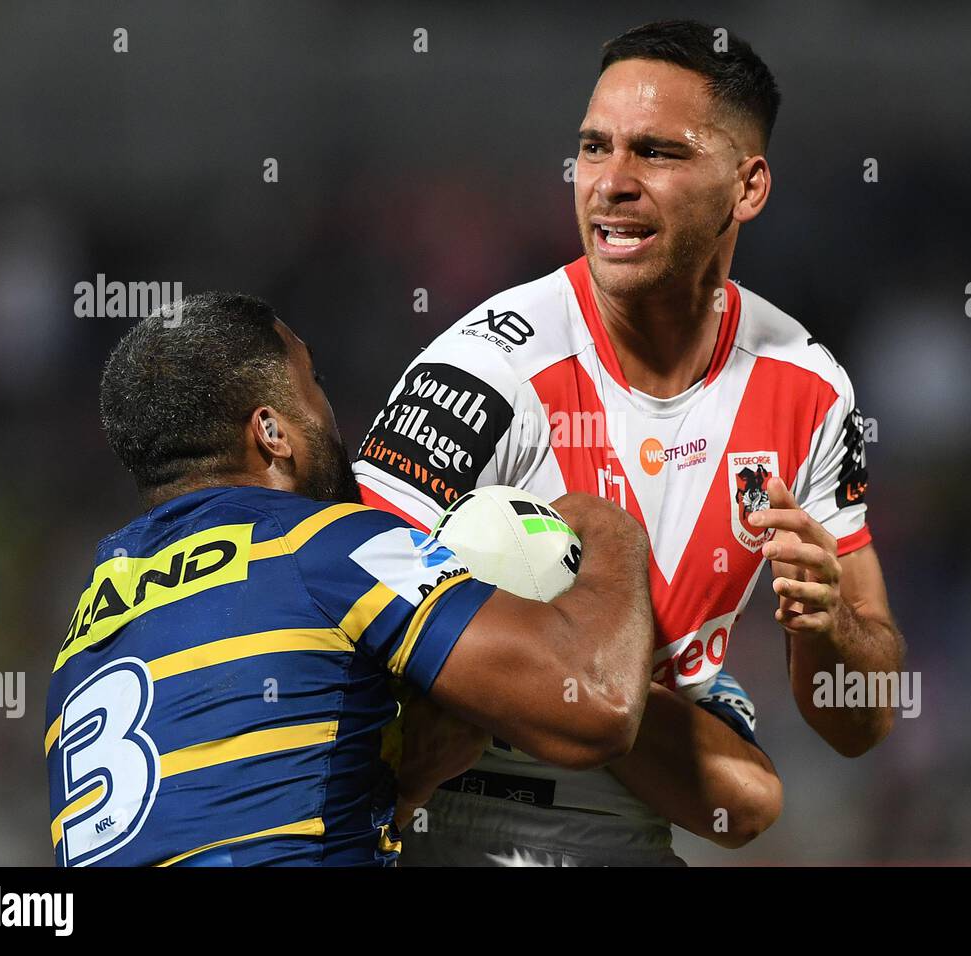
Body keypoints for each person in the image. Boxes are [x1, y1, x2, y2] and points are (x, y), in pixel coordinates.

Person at [355, 19, 905, 866]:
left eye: (657, 152)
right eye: (593, 147)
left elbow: (859, 723)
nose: (609, 183)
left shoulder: (808, 387)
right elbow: (339, 612)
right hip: (450, 825)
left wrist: (830, 628)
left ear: (747, 187)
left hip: (633, 837)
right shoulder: (486, 368)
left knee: (754, 800)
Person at [44, 292, 654, 866]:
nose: (330, 416)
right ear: (271, 432)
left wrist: (408, 784)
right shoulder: (326, 543)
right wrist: (612, 533)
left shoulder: (81, 639)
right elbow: (598, 704)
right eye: (316, 385)